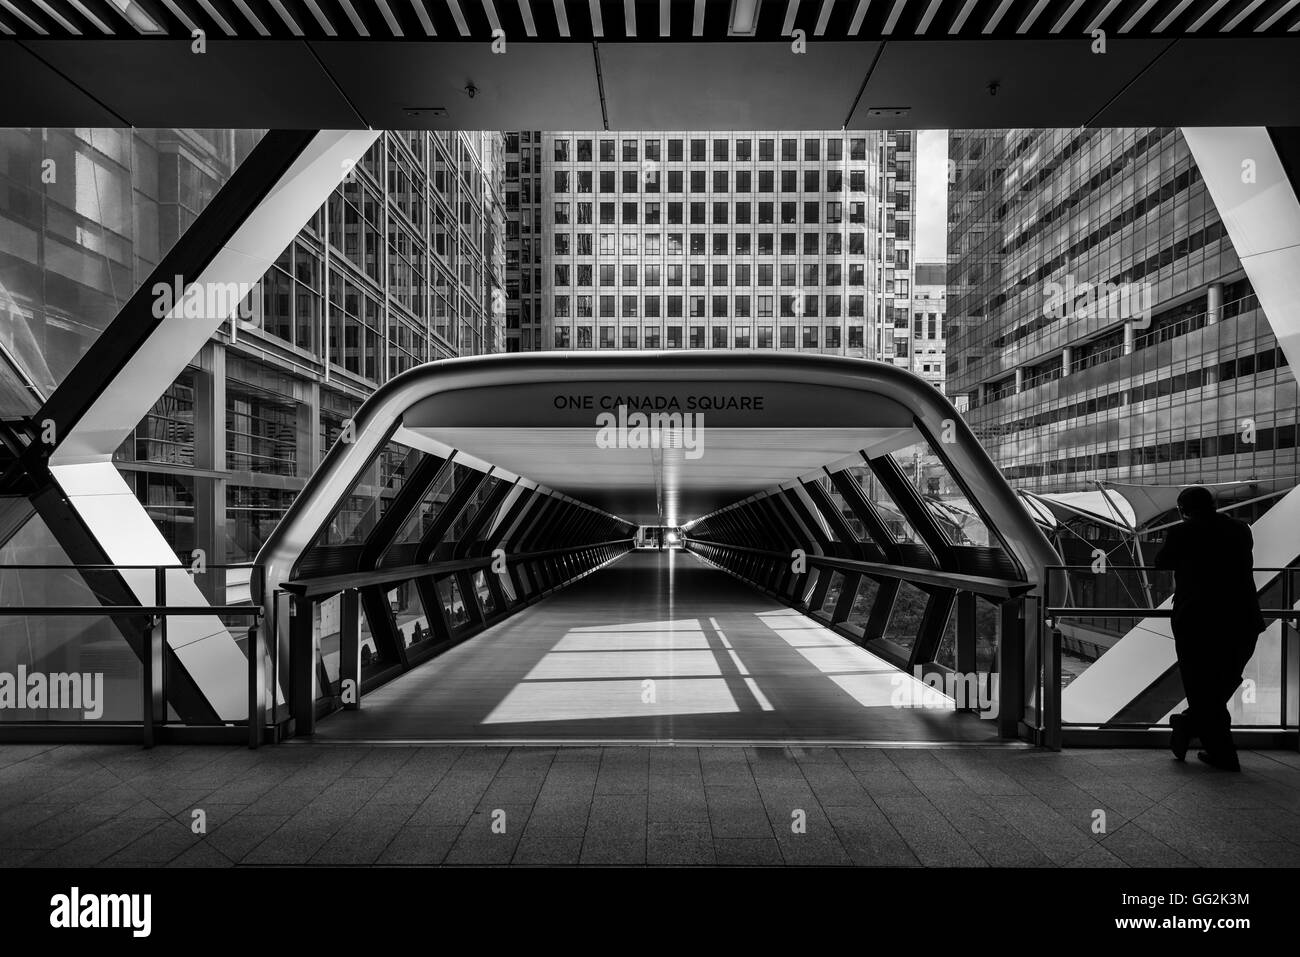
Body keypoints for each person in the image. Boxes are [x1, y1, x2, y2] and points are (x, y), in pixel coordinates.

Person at [1153, 486, 1265, 771]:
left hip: (1197, 620)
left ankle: (1216, 749)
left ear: (1182, 510)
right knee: (1220, 683)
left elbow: (1161, 562)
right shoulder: (1241, 530)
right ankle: (1195, 730)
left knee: (1201, 685)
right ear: (1213, 505)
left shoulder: (1182, 533)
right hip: (1241, 617)